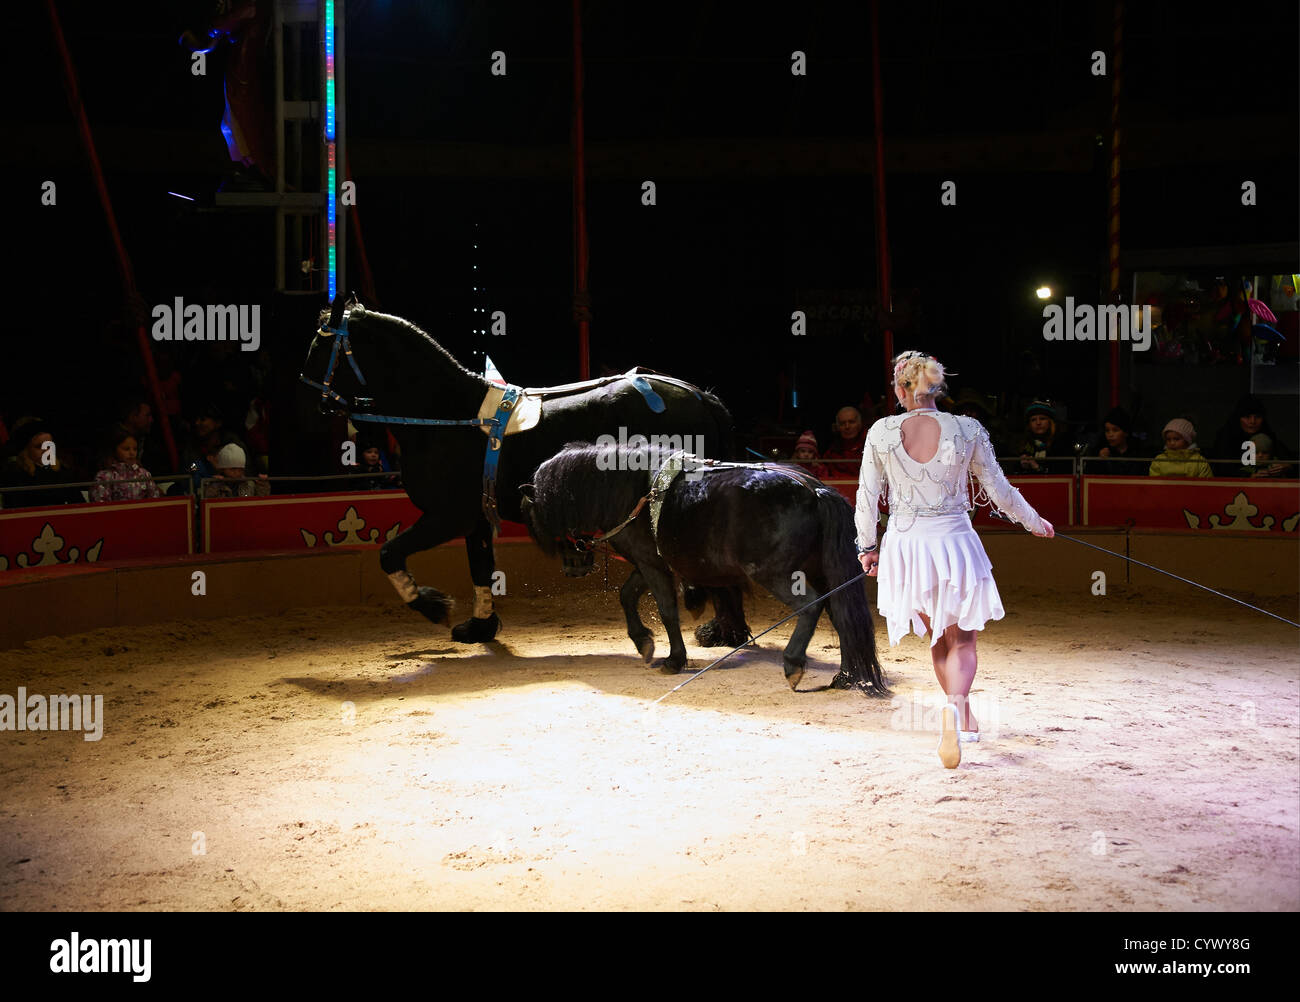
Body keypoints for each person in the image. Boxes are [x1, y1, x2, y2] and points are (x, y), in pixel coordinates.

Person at [856, 351, 1054, 769]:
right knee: (962, 640)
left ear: (902, 387)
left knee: (938, 638)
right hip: (953, 539)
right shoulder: (967, 428)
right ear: (935, 386)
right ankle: (956, 710)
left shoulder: (881, 431)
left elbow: (867, 496)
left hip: (908, 545)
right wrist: (1034, 522)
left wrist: (867, 547)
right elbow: (998, 488)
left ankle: (959, 714)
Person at [0, 418, 84, 509]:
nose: (46, 451)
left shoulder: (63, 472)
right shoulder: (15, 475)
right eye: (39, 446)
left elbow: (80, 505)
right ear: (27, 450)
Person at [1209, 394, 1292, 477]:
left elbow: (1289, 460)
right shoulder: (1225, 437)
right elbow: (1221, 469)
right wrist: (1249, 475)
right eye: (1247, 417)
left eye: (1258, 417)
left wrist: (1285, 466)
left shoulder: (1268, 434)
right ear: (1238, 418)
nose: (1252, 421)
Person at [91, 426, 162, 502]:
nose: (132, 453)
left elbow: (154, 499)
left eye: (135, 449)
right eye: (126, 449)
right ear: (114, 450)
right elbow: (101, 504)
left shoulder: (144, 474)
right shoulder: (105, 477)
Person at [1088, 406, 1148, 476]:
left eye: (1115, 430)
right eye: (1107, 430)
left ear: (1125, 432)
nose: (1110, 435)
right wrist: (1100, 461)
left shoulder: (1138, 453)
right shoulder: (1099, 451)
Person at [1016, 400, 1071, 475]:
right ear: (1029, 425)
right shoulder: (1024, 445)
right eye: (1033, 420)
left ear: (1050, 422)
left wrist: (1037, 467)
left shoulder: (1061, 444)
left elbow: (1063, 472)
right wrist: (1022, 466)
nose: (1038, 423)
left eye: (1042, 418)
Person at [1148, 418, 1213, 478]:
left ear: (1187, 440)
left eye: (1176, 439)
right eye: (1168, 439)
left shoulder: (1199, 461)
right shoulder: (1159, 460)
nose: (1172, 443)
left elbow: (1207, 485)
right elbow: (1154, 484)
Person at [201, 443, 270, 498]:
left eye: (240, 469)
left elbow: (260, 502)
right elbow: (208, 500)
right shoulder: (214, 484)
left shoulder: (249, 484)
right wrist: (215, 485)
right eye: (233, 469)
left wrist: (263, 485)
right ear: (222, 469)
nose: (237, 473)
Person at [823, 406, 867, 477]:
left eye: (851, 422)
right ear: (837, 427)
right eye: (842, 423)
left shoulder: (870, 447)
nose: (847, 426)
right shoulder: (832, 453)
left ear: (859, 424)